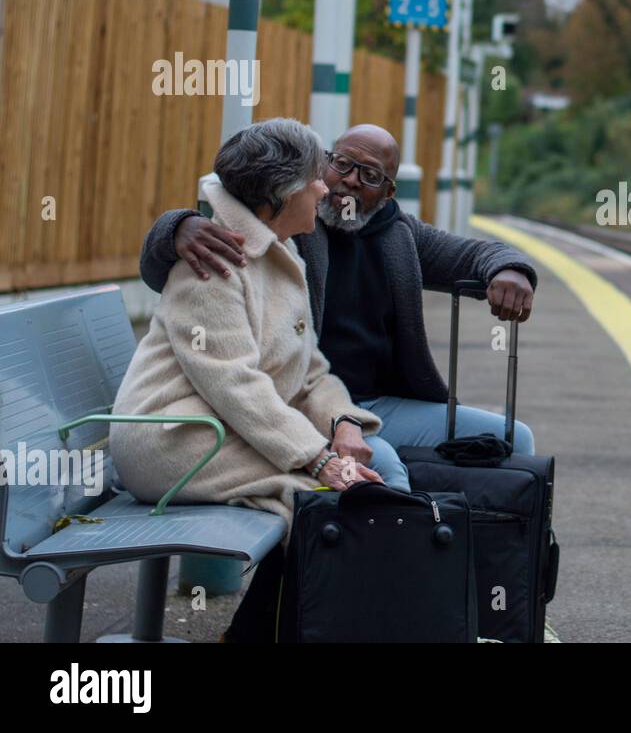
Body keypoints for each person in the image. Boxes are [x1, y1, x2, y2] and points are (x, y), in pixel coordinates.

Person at [137, 122, 539, 491]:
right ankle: (402, 553)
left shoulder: (399, 236)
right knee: (381, 470)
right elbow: (228, 206)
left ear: (388, 192)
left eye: (369, 175)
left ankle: (467, 548)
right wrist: (176, 228)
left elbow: (473, 255)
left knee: (514, 438)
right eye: (341, 164)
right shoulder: (294, 231)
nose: (346, 181)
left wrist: (510, 269)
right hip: (300, 406)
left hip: (371, 405)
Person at [111, 119, 389, 528]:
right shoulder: (212, 265)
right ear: (284, 193)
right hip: (179, 442)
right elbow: (233, 382)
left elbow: (311, 372)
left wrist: (343, 422)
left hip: (229, 429)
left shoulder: (283, 251)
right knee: (346, 507)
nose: (324, 188)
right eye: (315, 178)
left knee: (369, 493)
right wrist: (319, 459)